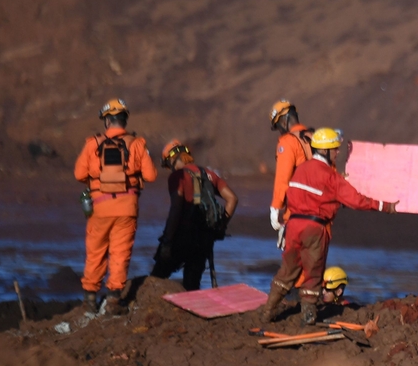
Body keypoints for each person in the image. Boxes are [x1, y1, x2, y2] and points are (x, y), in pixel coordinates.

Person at [257, 128, 397, 325]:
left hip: (293, 225)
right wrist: (385, 206)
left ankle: (267, 311)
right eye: (335, 149)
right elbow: (357, 201)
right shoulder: (330, 177)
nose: (338, 153)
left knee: (287, 270)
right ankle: (309, 316)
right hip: (315, 228)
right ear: (326, 151)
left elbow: (295, 195)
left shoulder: (301, 170)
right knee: (313, 272)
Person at [73, 98, 158, 315]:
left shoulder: (93, 143)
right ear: (124, 120)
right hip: (127, 209)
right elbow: (151, 175)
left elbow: (79, 174)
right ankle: (112, 301)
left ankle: (90, 301)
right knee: (120, 254)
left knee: (95, 253)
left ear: (107, 121)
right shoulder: (137, 144)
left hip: (99, 209)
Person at [151, 140, 239, 290]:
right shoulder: (208, 174)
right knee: (192, 286)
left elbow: (176, 209)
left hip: (183, 236)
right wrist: (220, 226)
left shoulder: (177, 177)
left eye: (167, 165)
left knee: (156, 278)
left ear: (172, 160)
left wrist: (167, 240)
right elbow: (232, 199)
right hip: (205, 238)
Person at [268, 100, 313, 240]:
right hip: (320, 215)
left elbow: (283, 177)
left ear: (283, 122)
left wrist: (275, 206)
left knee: (294, 261)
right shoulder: (315, 138)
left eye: (278, 127)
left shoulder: (287, 142)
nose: (279, 131)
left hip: (297, 214)